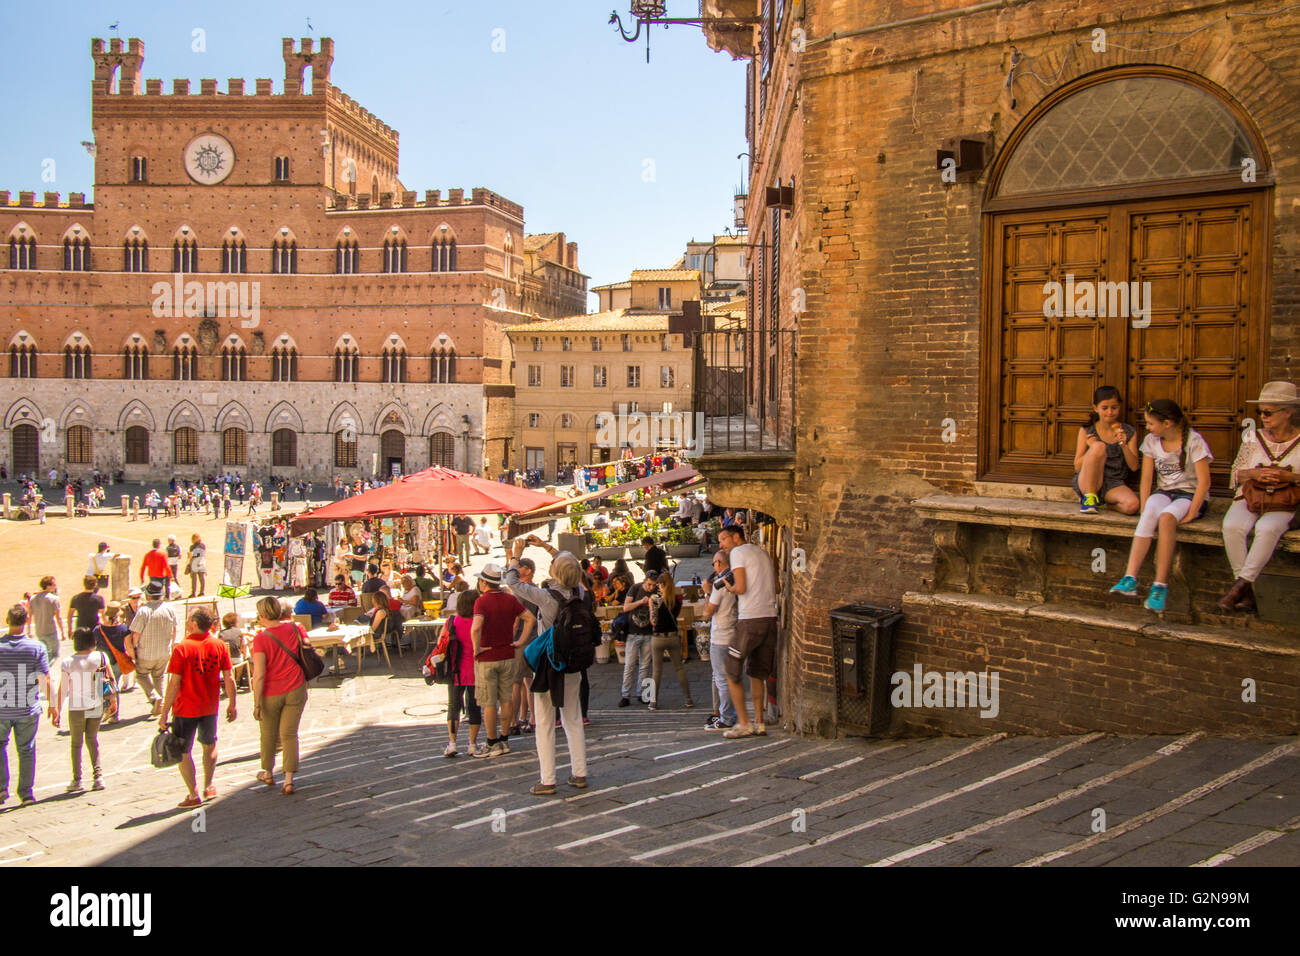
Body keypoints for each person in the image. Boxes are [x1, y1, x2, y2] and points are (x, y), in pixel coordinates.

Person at [1109, 399, 1213, 613]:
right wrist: (1144, 508)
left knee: (1166, 518)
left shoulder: (1194, 441)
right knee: (1150, 513)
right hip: (1164, 492)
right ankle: (1130, 578)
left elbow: (1204, 482)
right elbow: (1147, 478)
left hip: (1190, 495)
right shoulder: (1151, 441)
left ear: (1167, 423)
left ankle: (1160, 585)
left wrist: (1193, 512)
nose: (1147, 428)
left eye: (1150, 423)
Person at [502, 542, 588, 795]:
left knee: (545, 722)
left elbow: (512, 582)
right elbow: (569, 559)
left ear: (555, 573)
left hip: (548, 664)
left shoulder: (547, 597)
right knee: (573, 718)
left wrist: (516, 555)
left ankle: (548, 779)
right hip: (572, 662)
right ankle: (579, 772)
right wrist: (547, 547)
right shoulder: (579, 592)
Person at [1219, 382, 1300, 611]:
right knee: (1232, 526)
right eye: (1260, 412)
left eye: (1268, 412)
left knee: (1267, 529)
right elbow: (1235, 473)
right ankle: (1245, 591)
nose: (1263, 417)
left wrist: (1289, 477)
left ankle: (1239, 587)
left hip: (1285, 501)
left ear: (1288, 412)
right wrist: (1255, 473)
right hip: (1252, 496)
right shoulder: (1253, 438)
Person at [159, 608, 235, 807]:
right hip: (210, 705)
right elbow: (229, 677)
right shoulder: (219, 645)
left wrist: (164, 712)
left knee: (183, 752)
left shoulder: (182, 648)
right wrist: (232, 704)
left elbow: (174, 683)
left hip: (185, 708)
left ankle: (193, 794)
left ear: (194, 623)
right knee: (210, 744)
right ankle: (209, 785)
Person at [718, 524, 779, 739]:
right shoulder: (762, 552)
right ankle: (760, 722)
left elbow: (741, 587)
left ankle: (743, 722)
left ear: (736, 537)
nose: (722, 545)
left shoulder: (738, 552)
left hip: (750, 619)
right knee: (757, 672)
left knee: (731, 667)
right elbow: (776, 585)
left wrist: (730, 587)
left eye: (724, 539)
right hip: (770, 618)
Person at [470, 564, 531, 758]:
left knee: (488, 703)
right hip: (507, 654)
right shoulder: (510, 599)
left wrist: (476, 647)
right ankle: (504, 740)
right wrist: (520, 641)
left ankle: (491, 742)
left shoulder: (481, 602)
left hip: (487, 657)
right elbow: (529, 618)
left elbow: (476, 627)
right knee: (506, 699)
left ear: (483, 582)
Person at [251, 596, 310, 795]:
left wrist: (256, 702)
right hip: (295, 687)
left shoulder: (260, 638)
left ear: (262, 615)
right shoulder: (294, 628)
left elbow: (258, 674)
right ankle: (288, 779)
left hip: (271, 692)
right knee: (289, 734)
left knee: (268, 735)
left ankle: (268, 772)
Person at [0, 605, 52, 806]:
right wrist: (53, 705)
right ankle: (26, 793)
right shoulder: (36, 647)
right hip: (27, 707)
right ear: (26, 622)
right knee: (26, 749)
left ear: (7, 621)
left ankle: (1, 789)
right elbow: (44, 678)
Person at [53, 627, 113, 792]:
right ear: (92, 641)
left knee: (76, 744)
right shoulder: (101, 657)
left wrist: (56, 709)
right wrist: (113, 701)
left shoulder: (68, 662)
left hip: (77, 707)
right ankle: (98, 776)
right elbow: (111, 679)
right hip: (96, 703)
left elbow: (63, 689)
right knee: (92, 740)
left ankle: (77, 780)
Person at [1072, 385, 1140, 516]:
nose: (1110, 412)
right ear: (1095, 408)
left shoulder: (1128, 431)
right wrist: (1092, 448)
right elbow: (1077, 466)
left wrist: (1123, 444)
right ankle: (1089, 498)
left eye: (1114, 408)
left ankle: (1104, 504)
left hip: (1113, 482)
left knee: (1132, 506)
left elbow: (1134, 466)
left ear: (1119, 407)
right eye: (1105, 408)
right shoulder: (1087, 431)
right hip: (1088, 480)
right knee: (1099, 446)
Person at [125, 581, 178, 717]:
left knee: (141, 675)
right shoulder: (169, 608)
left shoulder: (144, 611)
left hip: (146, 652)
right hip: (164, 651)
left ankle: (154, 697)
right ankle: (159, 704)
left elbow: (136, 632)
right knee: (158, 676)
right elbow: (174, 629)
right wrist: (171, 645)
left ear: (148, 595)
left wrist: (134, 647)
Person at [442, 590, 483, 757]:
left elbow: (441, 642)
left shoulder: (452, 621)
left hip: (455, 669)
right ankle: (472, 744)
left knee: (453, 706)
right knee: (474, 708)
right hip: (475, 670)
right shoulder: (479, 622)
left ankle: (452, 742)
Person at [702, 550, 739, 729]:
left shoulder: (718, 585)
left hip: (721, 635)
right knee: (730, 677)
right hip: (734, 632)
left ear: (718, 563)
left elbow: (708, 613)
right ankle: (730, 712)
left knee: (722, 678)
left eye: (713, 564)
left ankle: (726, 717)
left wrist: (707, 593)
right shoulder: (734, 579)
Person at [648, 573, 692, 711]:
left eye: (659, 585)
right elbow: (676, 615)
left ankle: (652, 702)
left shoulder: (655, 600)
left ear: (661, 585)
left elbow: (653, 621)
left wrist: (650, 606)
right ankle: (688, 699)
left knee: (656, 671)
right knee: (679, 668)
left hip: (658, 638)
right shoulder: (677, 600)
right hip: (673, 637)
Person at [620, 570, 658, 708]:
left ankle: (642, 693)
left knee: (645, 666)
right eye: (649, 585)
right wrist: (640, 602)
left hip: (648, 633)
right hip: (633, 633)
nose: (650, 588)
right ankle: (625, 695)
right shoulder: (635, 588)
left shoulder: (656, 592)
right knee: (629, 665)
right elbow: (626, 607)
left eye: (653, 585)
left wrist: (652, 604)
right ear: (644, 581)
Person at [27, 575, 65, 663]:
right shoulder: (54, 599)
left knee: (44, 655)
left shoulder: (33, 598)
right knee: (55, 655)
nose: (55, 586)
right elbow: (58, 617)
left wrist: (29, 631)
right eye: (54, 584)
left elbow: (29, 617)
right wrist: (62, 632)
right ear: (48, 586)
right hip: (50, 631)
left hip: (39, 631)